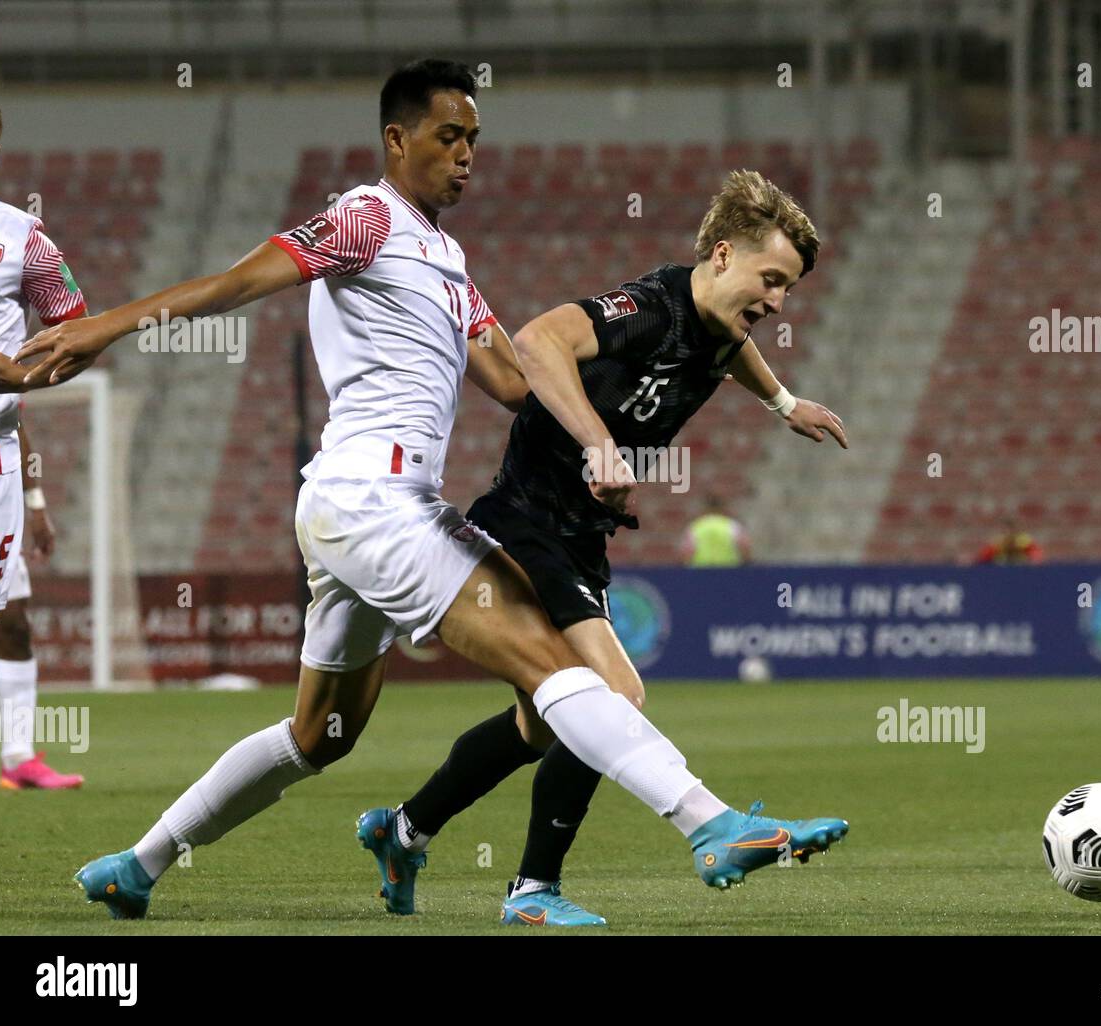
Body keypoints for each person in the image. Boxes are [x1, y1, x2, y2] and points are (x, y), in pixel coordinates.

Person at [10, 59, 845, 921]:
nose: (466, 155)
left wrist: (631, 378)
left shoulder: (446, 257)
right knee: (560, 670)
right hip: (373, 502)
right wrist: (102, 329)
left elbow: (515, 376)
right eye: (449, 137)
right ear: (397, 139)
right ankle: (710, 825)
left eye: (475, 140)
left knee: (318, 738)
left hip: (363, 511)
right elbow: (235, 283)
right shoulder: (363, 220)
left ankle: (137, 866)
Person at [361, 169, 848, 926]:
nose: (779, 303)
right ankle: (532, 891)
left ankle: (404, 830)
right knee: (615, 694)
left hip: (582, 537)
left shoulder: (724, 327)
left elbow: (732, 353)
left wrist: (784, 402)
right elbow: (535, 340)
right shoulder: (650, 307)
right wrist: (598, 445)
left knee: (540, 721)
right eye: (771, 279)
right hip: (526, 518)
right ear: (722, 255)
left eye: (788, 289)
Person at [0, 100, 88, 777]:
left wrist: (24, 370)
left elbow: (74, 333)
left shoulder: (23, 235)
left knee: (0, 610)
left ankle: (17, 752)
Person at [0, 414, 84, 788]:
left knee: (14, 626)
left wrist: (36, 506)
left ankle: (18, 757)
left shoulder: (3, 361)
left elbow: (14, 425)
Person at [681, 493, 751, 567]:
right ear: (723, 509)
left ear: (705, 509)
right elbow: (744, 547)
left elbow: (687, 551)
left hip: (701, 571)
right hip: (729, 571)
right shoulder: (732, 525)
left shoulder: (696, 527)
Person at [974, 518, 1043, 565]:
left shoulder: (1025, 542)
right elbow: (981, 560)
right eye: (1006, 530)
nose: (1009, 533)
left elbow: (1037, 558)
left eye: (1012, 530)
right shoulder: (997, 544)